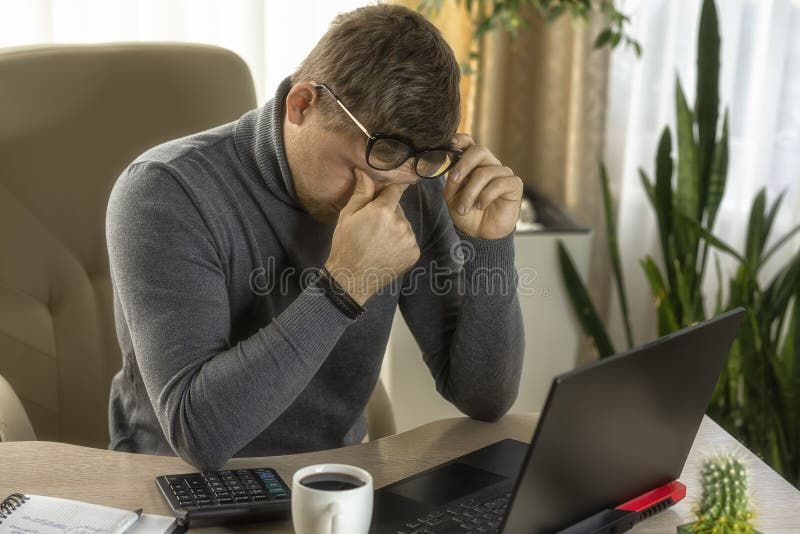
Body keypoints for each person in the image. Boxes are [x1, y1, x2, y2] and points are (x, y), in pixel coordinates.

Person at [106, 4, 525, 470]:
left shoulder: (406, 182)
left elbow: (483, 399)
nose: (384, 196)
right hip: (174, 485)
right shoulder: (163, 192)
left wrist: (492, 245)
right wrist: (345, 285)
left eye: (411, 174)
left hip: (333, 479)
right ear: (302, 105)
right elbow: (198, 434)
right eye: (363, 169)